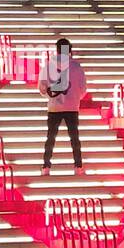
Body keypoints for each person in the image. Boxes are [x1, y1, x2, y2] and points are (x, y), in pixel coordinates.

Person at [38, 37, 87, 176]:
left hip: (54, 107)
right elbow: (83, 88)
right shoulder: (76, 67)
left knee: (51, 137)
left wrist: (51, 95)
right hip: (72, 106)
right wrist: (75, 97)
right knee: (74, 138)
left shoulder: (49, 66)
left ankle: (46, 166)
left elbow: (42, 87)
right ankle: (78, 166)